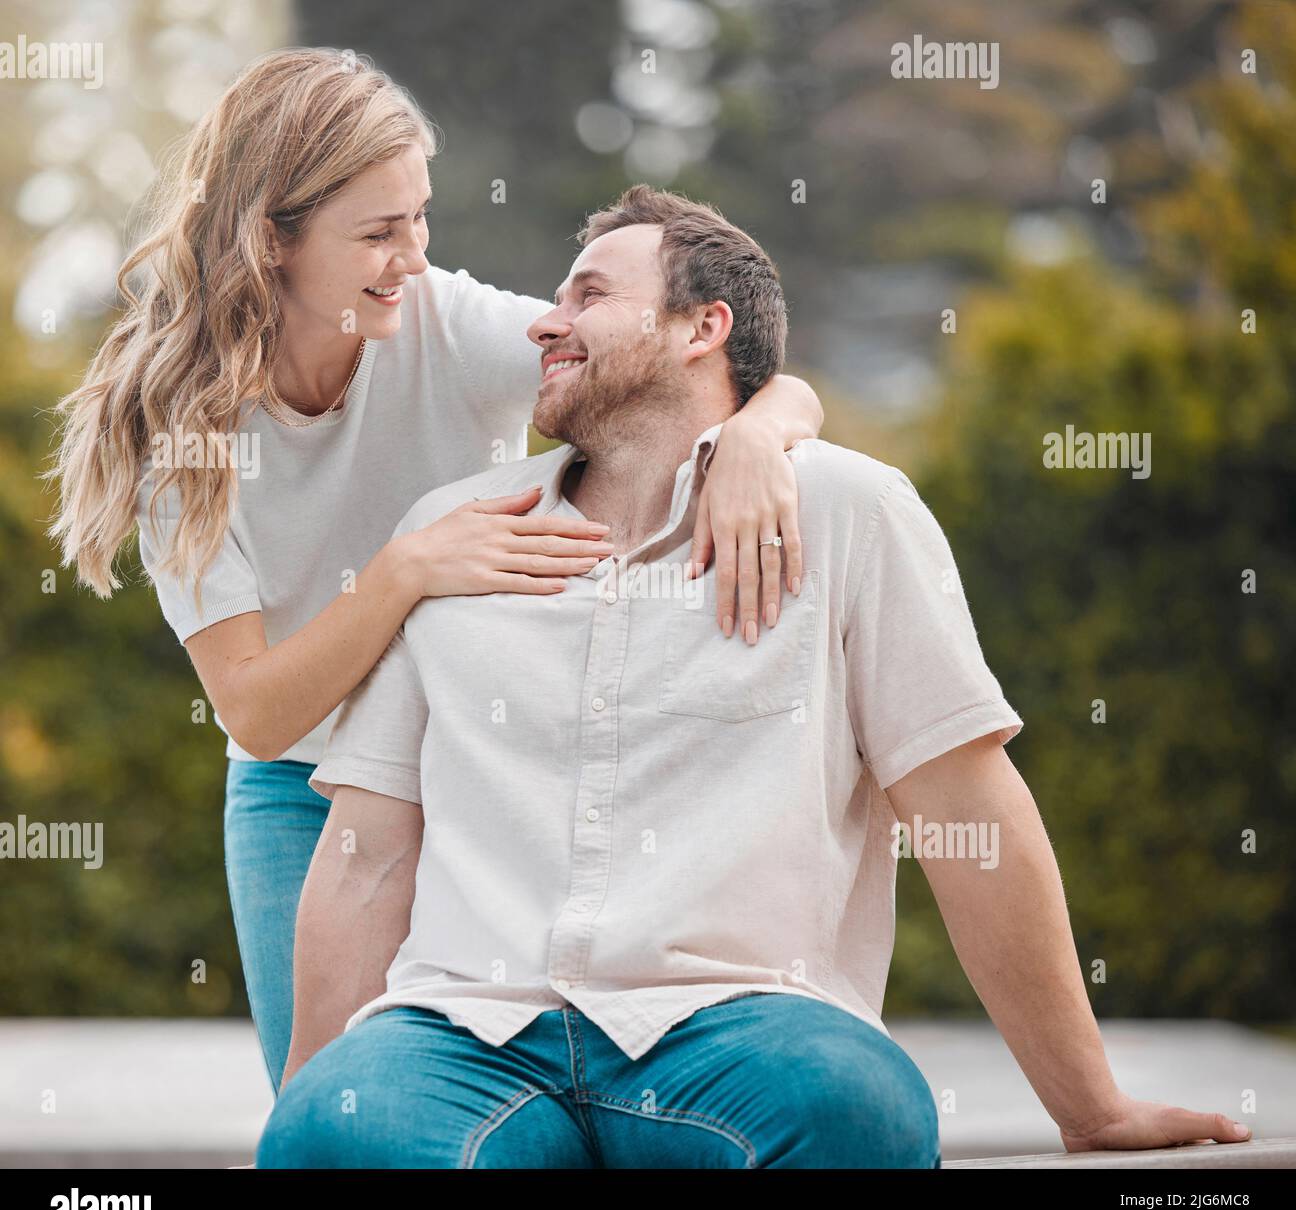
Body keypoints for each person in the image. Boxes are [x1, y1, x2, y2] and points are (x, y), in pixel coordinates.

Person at [256, 185, 1253, 1168]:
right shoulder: (454, 532)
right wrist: (294, 1120)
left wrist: (1090, 1108)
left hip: (739, 1030)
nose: (546, 324)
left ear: (703, 326)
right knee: (336, 1133)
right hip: (465, 1032)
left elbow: (968, 812)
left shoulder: (849, 511)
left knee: (859, 1110)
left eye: (588, 295)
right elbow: (365, 854)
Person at [44, 49, 826, 1095]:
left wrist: (757, 442)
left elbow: (719, 378)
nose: (410, 256)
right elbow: (255, 714)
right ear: (272, 238)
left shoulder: (442, 321)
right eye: (376, 231)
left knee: (521, 1092)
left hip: (476, 773)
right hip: (298, 795)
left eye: (418, 218)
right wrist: (407, 567)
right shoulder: (181, 428)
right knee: (331, 1113)